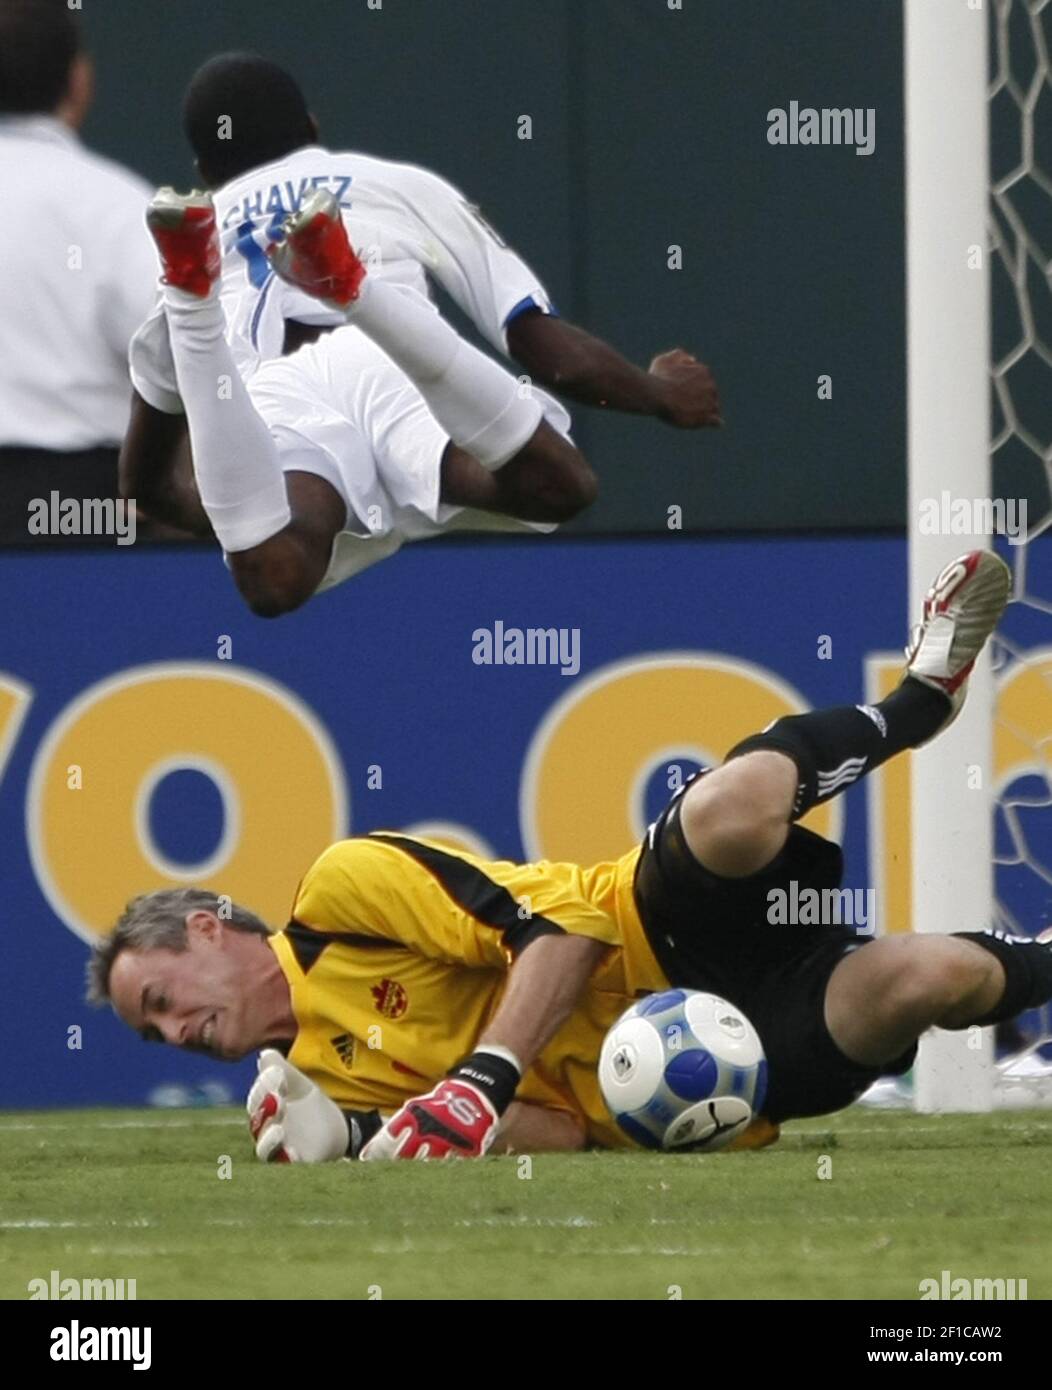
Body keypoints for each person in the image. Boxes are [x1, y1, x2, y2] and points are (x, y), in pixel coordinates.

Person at [88, 552, 1035, 1161]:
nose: (175, 1036)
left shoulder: (340, 896)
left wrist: (478, 1077)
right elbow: (560, 1135)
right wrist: (369, 1132)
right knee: (927, 976)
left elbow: (567, 930)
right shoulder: (320, 1091)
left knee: (730, 809)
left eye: (160, 1001)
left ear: (206, 928)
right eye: (153, 1034)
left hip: (649, 921)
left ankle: (918, 701)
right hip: (694, 1079)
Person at [121, 52, 720, 613]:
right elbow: (549, 353)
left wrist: (232, 508)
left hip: (272, 396)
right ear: (311, 126)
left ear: (203, 169)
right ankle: (355, 289)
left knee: (274, 575)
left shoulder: (209, 223)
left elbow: (147, 485)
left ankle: (192, 303)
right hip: (389, 360)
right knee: (560, 486)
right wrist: (659, 392)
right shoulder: (393, 183)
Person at [0, 0, 157, 544]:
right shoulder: (116, 206)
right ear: (78, 80)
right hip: (80, 517)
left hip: (82, 509)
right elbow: (186, 363)